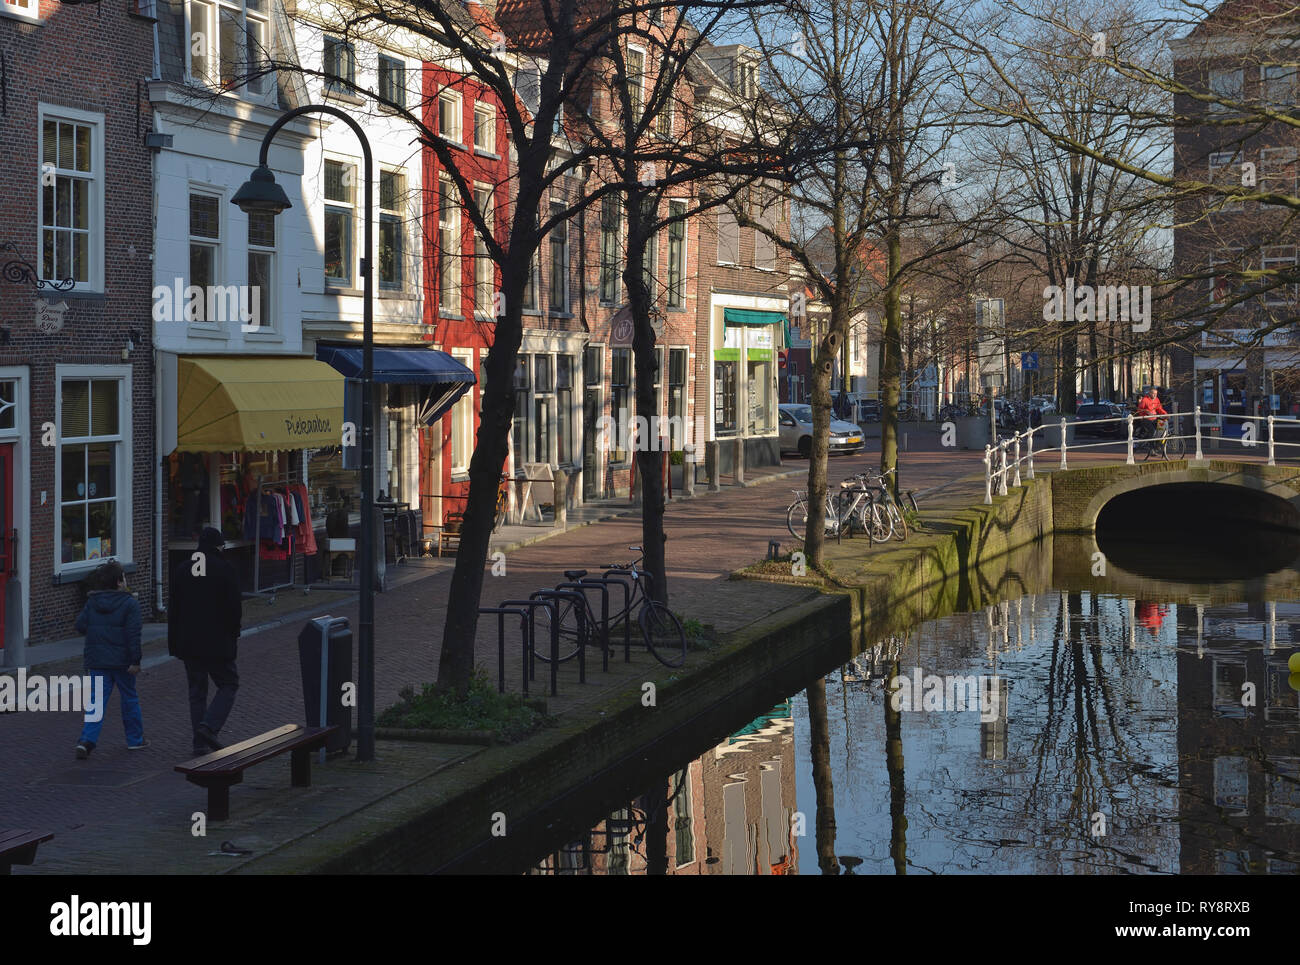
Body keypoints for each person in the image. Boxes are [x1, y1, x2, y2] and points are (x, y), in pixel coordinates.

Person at [169, 527, 242, 756]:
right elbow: (234, 609)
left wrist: (175, 643)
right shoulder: (225, 569)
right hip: (218, 642)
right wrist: (233, 634)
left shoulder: (181, 570)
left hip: (189, 643)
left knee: (197, 692)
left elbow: (174, 610)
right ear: (218, 546)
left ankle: (199, 743)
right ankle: (209, 727)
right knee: (229, 683)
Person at [74, 560, 146, 758]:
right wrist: (136, 661)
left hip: (97, 660)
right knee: (129, 698)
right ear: (119, 582)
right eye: (123, 577)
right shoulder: (130, 603)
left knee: (96, 702)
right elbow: (133, 634)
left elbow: (80, 625)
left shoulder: (92, 602)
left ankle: (87, 740)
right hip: (122, 662)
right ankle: (135, 740)